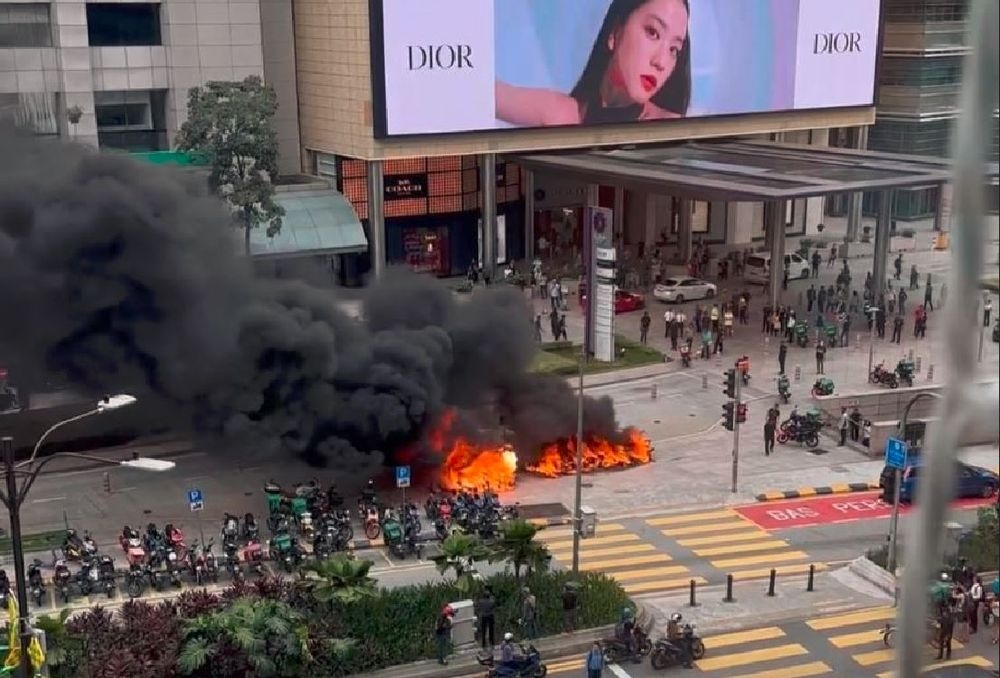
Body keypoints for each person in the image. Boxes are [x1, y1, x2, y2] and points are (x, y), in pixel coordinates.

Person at [495, 0, 692, 127]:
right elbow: (479, 90)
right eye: (652, 32)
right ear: (615, 33)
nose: (661, 62)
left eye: (674, 49)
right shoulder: (565, 114)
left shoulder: (668, 127)